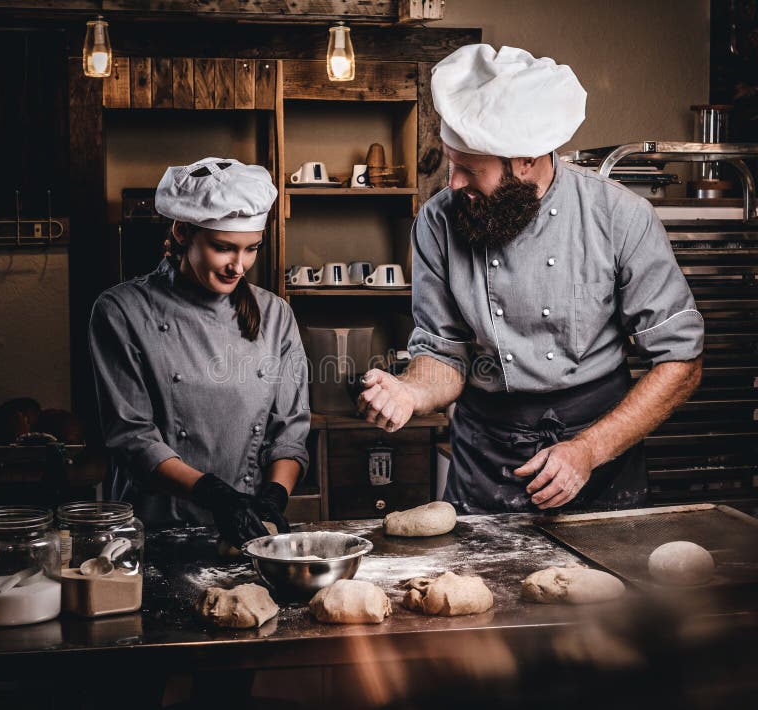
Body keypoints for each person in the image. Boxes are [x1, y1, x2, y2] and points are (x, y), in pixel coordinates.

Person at [358, 45, 704, 513]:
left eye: (470, 170)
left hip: (599, 453)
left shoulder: (619, 216)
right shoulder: (438, 222)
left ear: (525, 160)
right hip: (486, 457)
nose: (453, 184)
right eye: (450, 164)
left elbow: (681, 362)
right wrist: (411, 390)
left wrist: (588, 450)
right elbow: (444, 352)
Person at [89, 157, 309, 543]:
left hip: (246, 533)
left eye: (251, 249)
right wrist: (215, 494)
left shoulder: (275, 315)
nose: (238, 266)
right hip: (155, 532)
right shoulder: (121, 311)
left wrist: (273, 497)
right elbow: (133, 437)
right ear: (182, 231)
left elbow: (289, 430)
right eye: (224, 248)